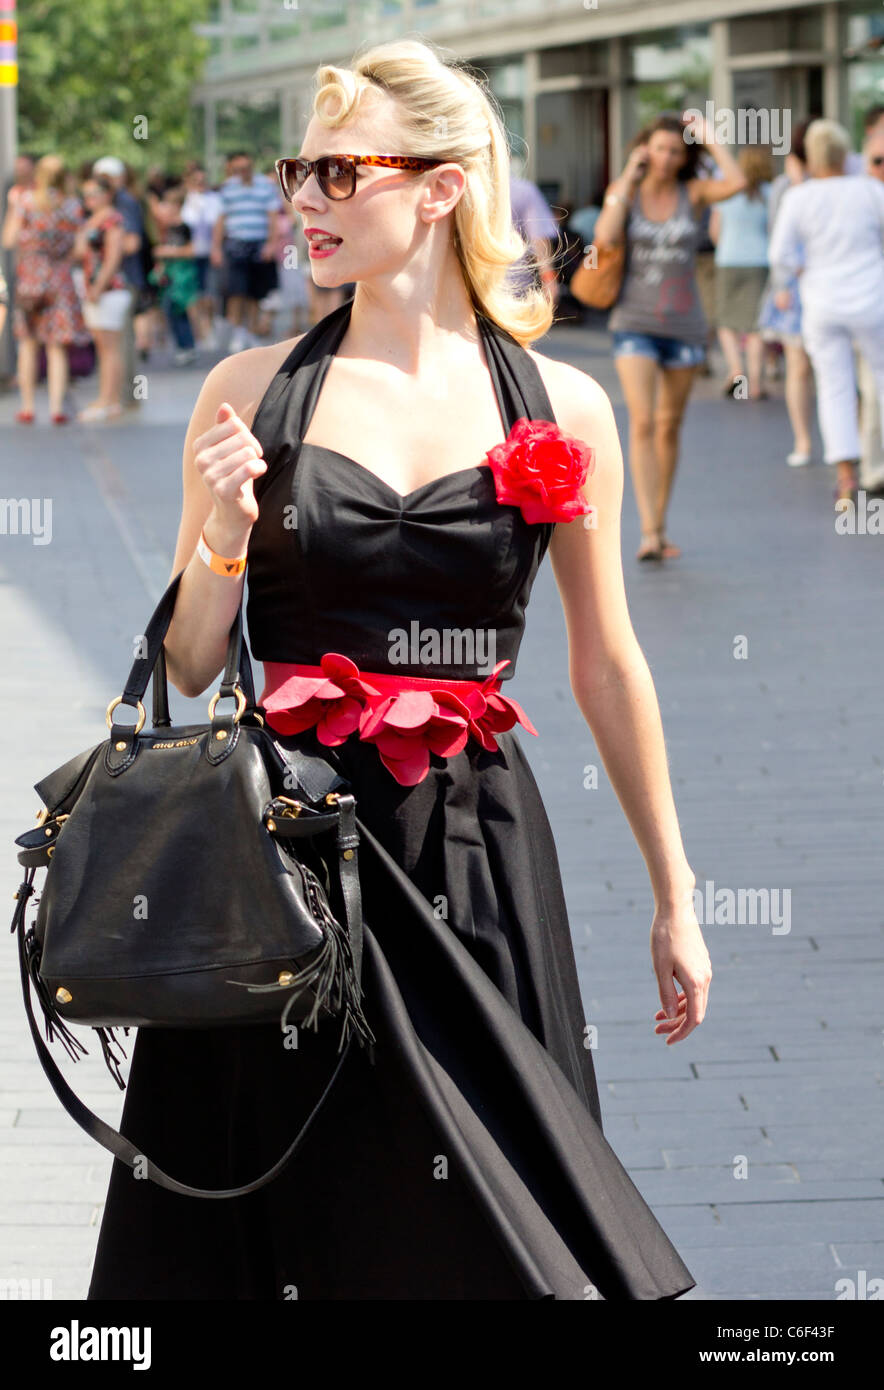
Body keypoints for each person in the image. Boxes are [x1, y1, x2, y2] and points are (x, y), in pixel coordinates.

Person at [84, 38, 709, 1303]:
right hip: (287, 868)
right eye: (295, 172)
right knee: (299, 1228)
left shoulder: (559, 405)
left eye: (333, 171)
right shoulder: (248, 389)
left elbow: (607, 666)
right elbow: (195, 666)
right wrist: (222, 533)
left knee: (495, 1225)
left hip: (472, 851)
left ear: (436, 186)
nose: (302, 200)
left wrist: (675, 892)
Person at [594, 111, 746, 562]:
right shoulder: (628, 192)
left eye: (675, 151)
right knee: (642, 421)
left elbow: (736, 183)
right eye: (659, 148)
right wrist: (626, 175)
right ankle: (647, 531)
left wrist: (713, 139)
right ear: (646, 150)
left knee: (668, 425)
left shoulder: (693, 193)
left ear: (684, 158)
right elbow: (603, 235)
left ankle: (660, 523)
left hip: (684, 326)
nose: (666, 157)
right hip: (634, 322)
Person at [768, 119, 884, 504]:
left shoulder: (800, 198)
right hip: (871, 299)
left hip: (822, 302)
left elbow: (780, 256)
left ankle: (846, 477)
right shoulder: (870, 190)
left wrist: (796, 275)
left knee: (834, 387)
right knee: (879, 381)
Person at [1, 153, 86, 424]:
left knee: (28, 342)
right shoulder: (72, 205)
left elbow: (9, 238)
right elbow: (81, 248)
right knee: (56, 346)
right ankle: (56, 408)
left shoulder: (25, 201)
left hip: (30, 279)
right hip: (59, 279)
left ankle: (27, 406)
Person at [756, 121, 815, 468]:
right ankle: (803, 439)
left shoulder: (841, 180)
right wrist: (780, 285)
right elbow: (776, 236)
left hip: (828, 281)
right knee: (798, 364)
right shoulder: (783, 186)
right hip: (794, 283)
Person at [709, 147, 774, 400]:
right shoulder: (769, 194)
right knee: (756, 324)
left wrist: (724, 248)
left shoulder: (726, 192)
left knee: (727, 321)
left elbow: (715, 230)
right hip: (760, 262)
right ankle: (755, 383)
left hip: (728, 259)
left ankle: (737, 371)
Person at [71, 172, 131, 421]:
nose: (89, 199)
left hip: (108, 290)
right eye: (86, 195)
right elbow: (78, 252)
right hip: (92, 289)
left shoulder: (113, 220)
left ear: (107, 194)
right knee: (103, 348)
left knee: (110, 348)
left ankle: (110, 400)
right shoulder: (90, 220)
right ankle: (105, 399)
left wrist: (99, 285)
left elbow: (113, 257)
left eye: (94, 194)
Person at [211, 151, 282, 352]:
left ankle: (251, 331)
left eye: (245, 168)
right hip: (235, 244)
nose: (242, 172)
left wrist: (271, 243)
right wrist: (215, 247)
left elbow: (273, 216)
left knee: (255, 293)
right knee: (236, 291)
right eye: (238, 169)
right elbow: (220, 219)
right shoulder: (228, 188)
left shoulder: (265, 186)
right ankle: (238, 331)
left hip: (258, 243)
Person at [855, 119, 884, 495]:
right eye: (876, 160)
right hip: (869, 308)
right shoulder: (859, 197)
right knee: (872, 388)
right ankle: (871, 467)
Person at [148, 183, 201, 364]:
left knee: (178, 309)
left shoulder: (184, 227)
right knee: (171, 310)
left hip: (182, 276)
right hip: (170, 276)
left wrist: (168, 252)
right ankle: (184, 345)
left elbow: (191, 250)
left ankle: (187, 345)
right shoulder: (166, 228)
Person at [180, 163, 223, 348]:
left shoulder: (213, 199)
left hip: (206, 252)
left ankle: (208, 328)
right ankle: (197, 332)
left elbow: (218, 224)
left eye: (202, 179)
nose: (200, 183)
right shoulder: (185, 199)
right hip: (187, 254)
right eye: (195, 180)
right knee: (192, 295)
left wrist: (216, 248)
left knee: (207, 293)